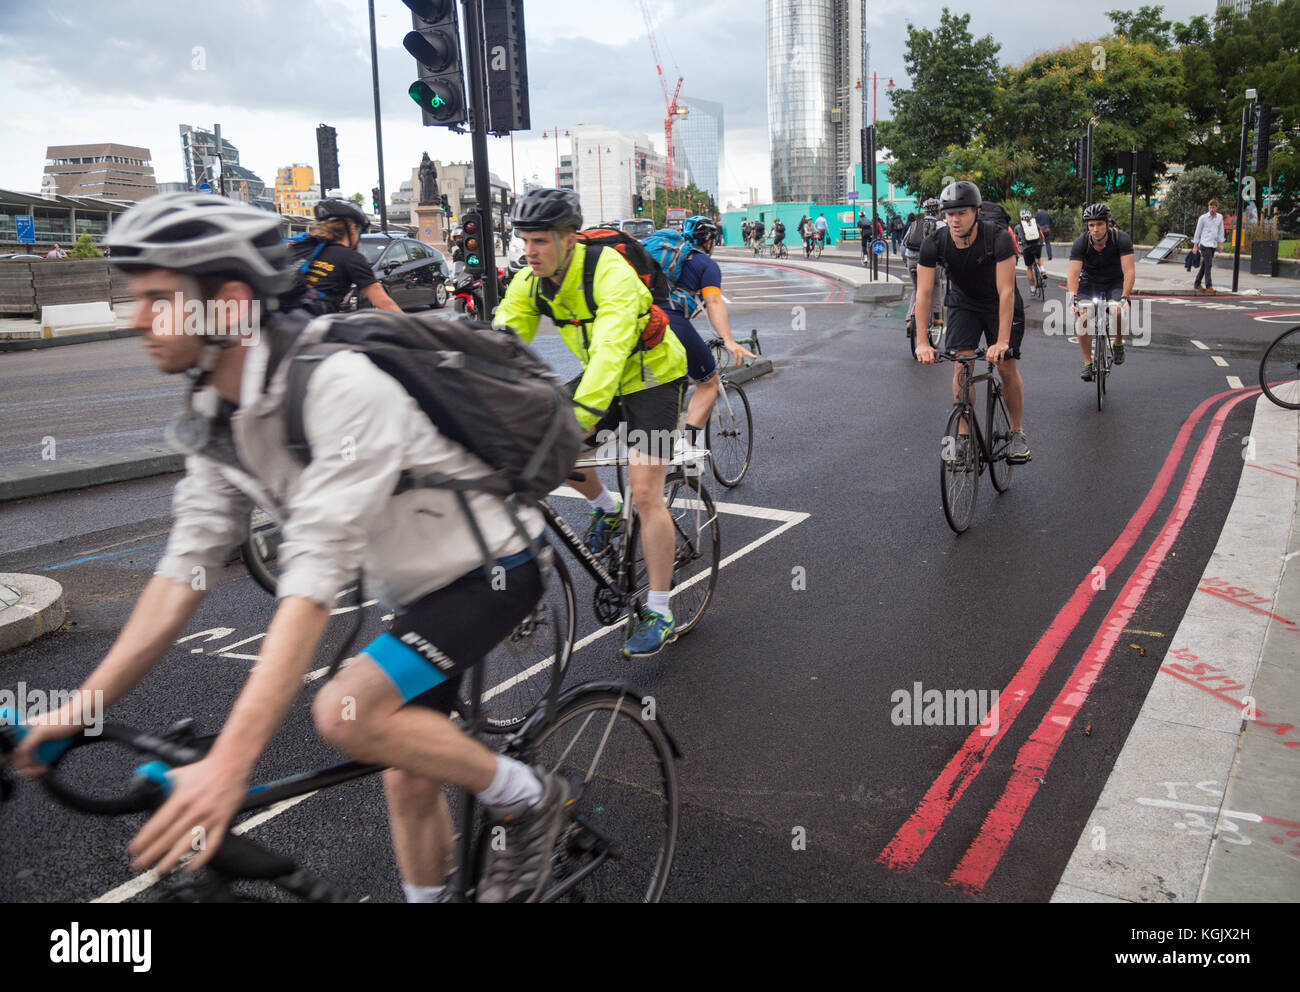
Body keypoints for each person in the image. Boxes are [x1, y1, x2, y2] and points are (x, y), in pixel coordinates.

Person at [7, 192, 567, 905]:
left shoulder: (339, 386)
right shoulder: (218, 405)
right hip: (413, 583)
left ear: (230, 301)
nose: (137, 318)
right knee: (406, 767)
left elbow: (312, 581)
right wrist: (73, 711)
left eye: (157, 298)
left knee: (346, 713)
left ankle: (527, 798)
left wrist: (230, 766)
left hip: (488, 567)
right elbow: (183, 573)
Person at [494, 188, 689, 659]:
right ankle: (604, 506)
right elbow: (500, 345)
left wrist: (579, 420)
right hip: (605, 378)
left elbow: (610, 349)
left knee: (645, 493)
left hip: (652, 377)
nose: (530, 251)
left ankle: (660, 611)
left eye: (540, 241)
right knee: (542, 448)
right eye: (525, 241)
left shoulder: (610, 272)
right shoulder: (531, 282)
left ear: (568, 239)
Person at [913, 180, 1031, 465]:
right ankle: (964, 437)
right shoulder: (934, 243)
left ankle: (1017, 432)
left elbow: (1006, 291)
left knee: (1005, 364)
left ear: (976, 212)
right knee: (961, 364)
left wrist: (1002, 341)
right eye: (950, 214)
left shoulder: (998, 238)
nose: (955, 219)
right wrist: (922, 342)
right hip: (964, 302)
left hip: (999, 302)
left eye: (962, 213)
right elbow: (925, 293)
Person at [661, 216, 757, 447]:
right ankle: (687, 448)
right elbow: (713, 302)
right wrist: (729, 340)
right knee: (708, 383)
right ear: (709, 241)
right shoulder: (706, 265)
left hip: (637, 321)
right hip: (671, 322)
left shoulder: (665, 258)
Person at [284, 199, 401, 315]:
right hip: (310, 326)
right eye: (359, 229)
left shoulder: (311, 249)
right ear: (352, 227)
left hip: (281, 322)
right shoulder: (350, 257)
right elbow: (384, 304)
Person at [1067, 202, 1136, 380]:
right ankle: (1088, 364)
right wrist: (1073, 299)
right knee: (1083, 316)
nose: (1095, 229)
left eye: (1099, 224)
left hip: (1115, 282)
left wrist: (1125, 297)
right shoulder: (1081, 243)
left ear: (1107, 223)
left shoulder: (1121, 239)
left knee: (1117, 311)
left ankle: (1118, 343)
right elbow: (1074, 274)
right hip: (1089, 283)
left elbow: (1129, 271)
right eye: (1091, 225)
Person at [1192, 198, 1225, 293]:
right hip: (1204, 243)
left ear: (1216, 208)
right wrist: (1195, 245)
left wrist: (1221, 244)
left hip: (1213, 244)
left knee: (1204, 265)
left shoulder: (1220, 217)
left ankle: (1197, 284)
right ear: (1208, 207)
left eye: (1213, 207)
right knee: (1209, 264)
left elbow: (1221, 231)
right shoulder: (1203, 218)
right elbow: (1197, 231)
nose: (1211, 209)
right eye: (1210, 207)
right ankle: (1208, 285)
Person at [1014, 209, 1045, 293]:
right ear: (1030, 216)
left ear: (1021, 218)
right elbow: (1041, 235)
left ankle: (1032, 289)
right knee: (1039, 257)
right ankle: (1042, 270)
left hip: (1026, 248)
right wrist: (1041, 243)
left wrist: (1017, 250)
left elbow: (1015, 241)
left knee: (1029, 268)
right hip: (1037, 245)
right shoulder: (1035, 224)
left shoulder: (1017, 227)